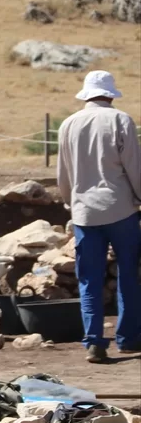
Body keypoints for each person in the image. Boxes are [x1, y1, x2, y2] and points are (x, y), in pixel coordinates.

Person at [56, 70, 141, 363]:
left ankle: (94, 341)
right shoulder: (121, 120)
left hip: (85, 214)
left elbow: (63, 175)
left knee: (89, 280)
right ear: (110, 94)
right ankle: (128, 339)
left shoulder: (68, 124)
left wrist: (72, 203)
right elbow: (134, 168)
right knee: (128, 273)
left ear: (87, 94)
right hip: (121, 210)